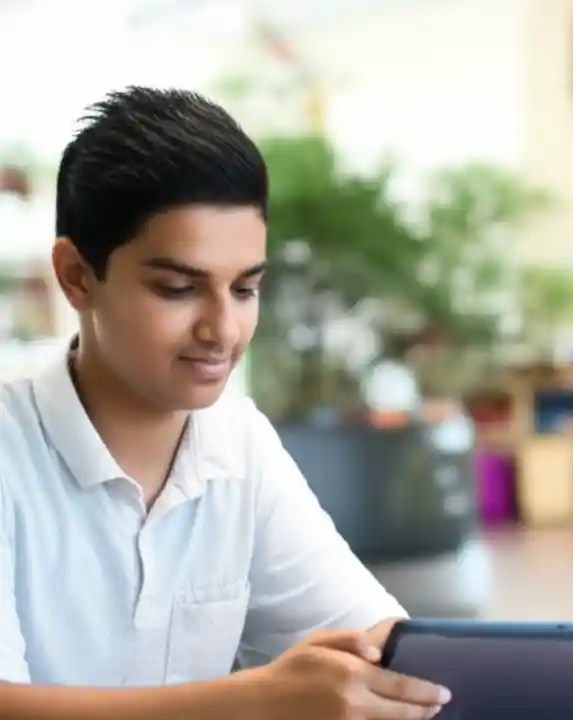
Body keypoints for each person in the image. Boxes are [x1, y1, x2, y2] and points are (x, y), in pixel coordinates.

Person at [0, 87, 450, 719]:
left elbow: (382, 654)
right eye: (178, 288)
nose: (222, 329)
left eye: (244, 289)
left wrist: (562, 660)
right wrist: (253, 702)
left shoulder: (237, 442)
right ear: (77, 276)